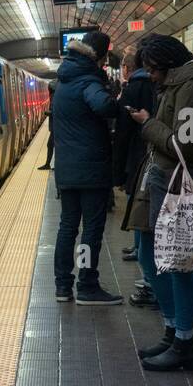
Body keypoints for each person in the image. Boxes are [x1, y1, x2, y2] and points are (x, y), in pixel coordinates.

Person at [124, 34, 193, 371]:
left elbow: (184, 146)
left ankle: (184, 342)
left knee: (179, 262)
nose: (151, 76)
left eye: (153, 70)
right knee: (154, 256)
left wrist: (148, 124)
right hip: (165, 178)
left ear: (168, 64)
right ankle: (173, 331)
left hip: (184, 183)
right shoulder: (180, 83)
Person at [51, 30, 122, 305]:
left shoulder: (63, 79)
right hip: (91, 170)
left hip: (67, 168)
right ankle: (87, 285)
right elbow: (103, 105)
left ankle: (62, 286)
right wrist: (118, 104)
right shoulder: (87, 80)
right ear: (101, 57)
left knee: (67, 226)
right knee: (91, 229)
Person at [114, 50, 155, 277]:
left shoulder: (132, 88)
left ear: (127, 69)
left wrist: (117, 170)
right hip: (150, 152)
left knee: (136, 202)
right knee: (140, 202)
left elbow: (123, 132)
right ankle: (138, 247)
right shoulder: (153, 86)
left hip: (135, 154)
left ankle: (140, 249)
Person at [38, 81, 56, 169]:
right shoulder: (56, 96)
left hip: (57, 126)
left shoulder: (54, 97)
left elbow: (57, 110)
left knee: (51, 145)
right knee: (51, 145)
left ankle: (50, 164)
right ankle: (49, 164)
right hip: (57, 126)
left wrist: (48, 112)